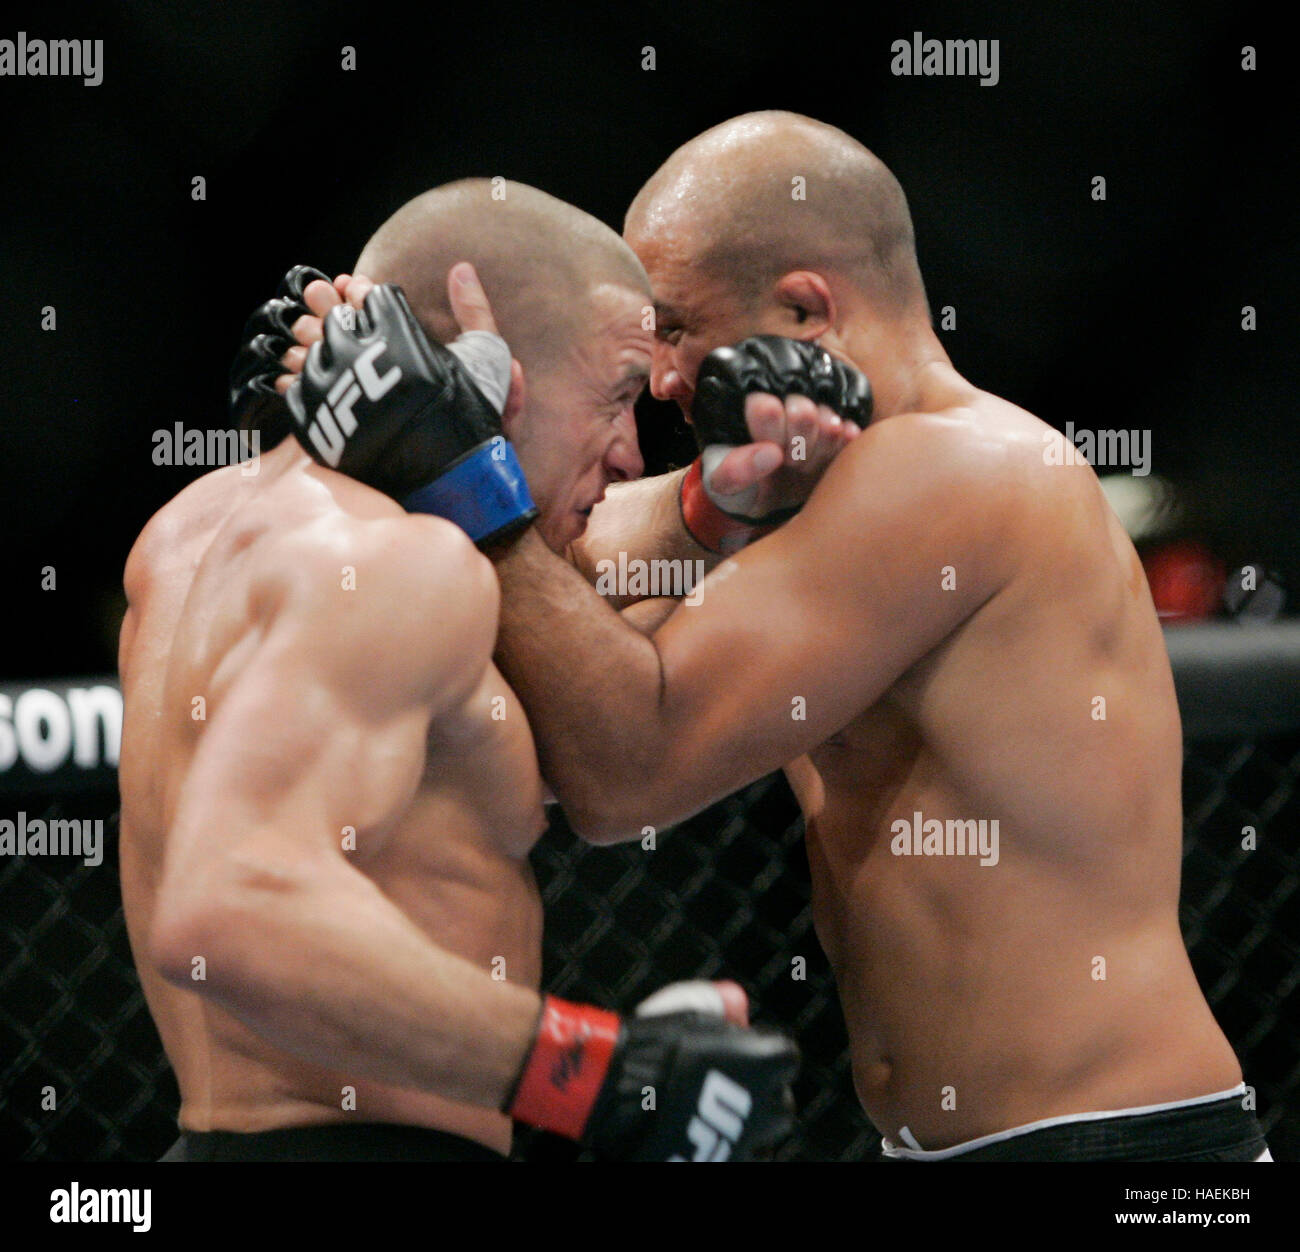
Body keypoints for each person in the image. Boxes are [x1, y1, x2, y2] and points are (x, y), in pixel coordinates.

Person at [295, 114, 1269, 1162]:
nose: (661, 377)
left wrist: (458, 471)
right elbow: (565, 544)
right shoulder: (807, 489)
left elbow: (629, 768)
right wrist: (359, 410)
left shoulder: (953, 471)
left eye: (676, 326)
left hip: (1122, 1151)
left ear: (804, 308)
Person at [117, 179, 799, 1164]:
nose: (626, 452)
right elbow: (228, 909)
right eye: (614, 397)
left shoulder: (188, 536)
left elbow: (548, 566)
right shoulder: (400, 567)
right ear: (485, 355)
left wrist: (707, 508)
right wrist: (604, 1071)